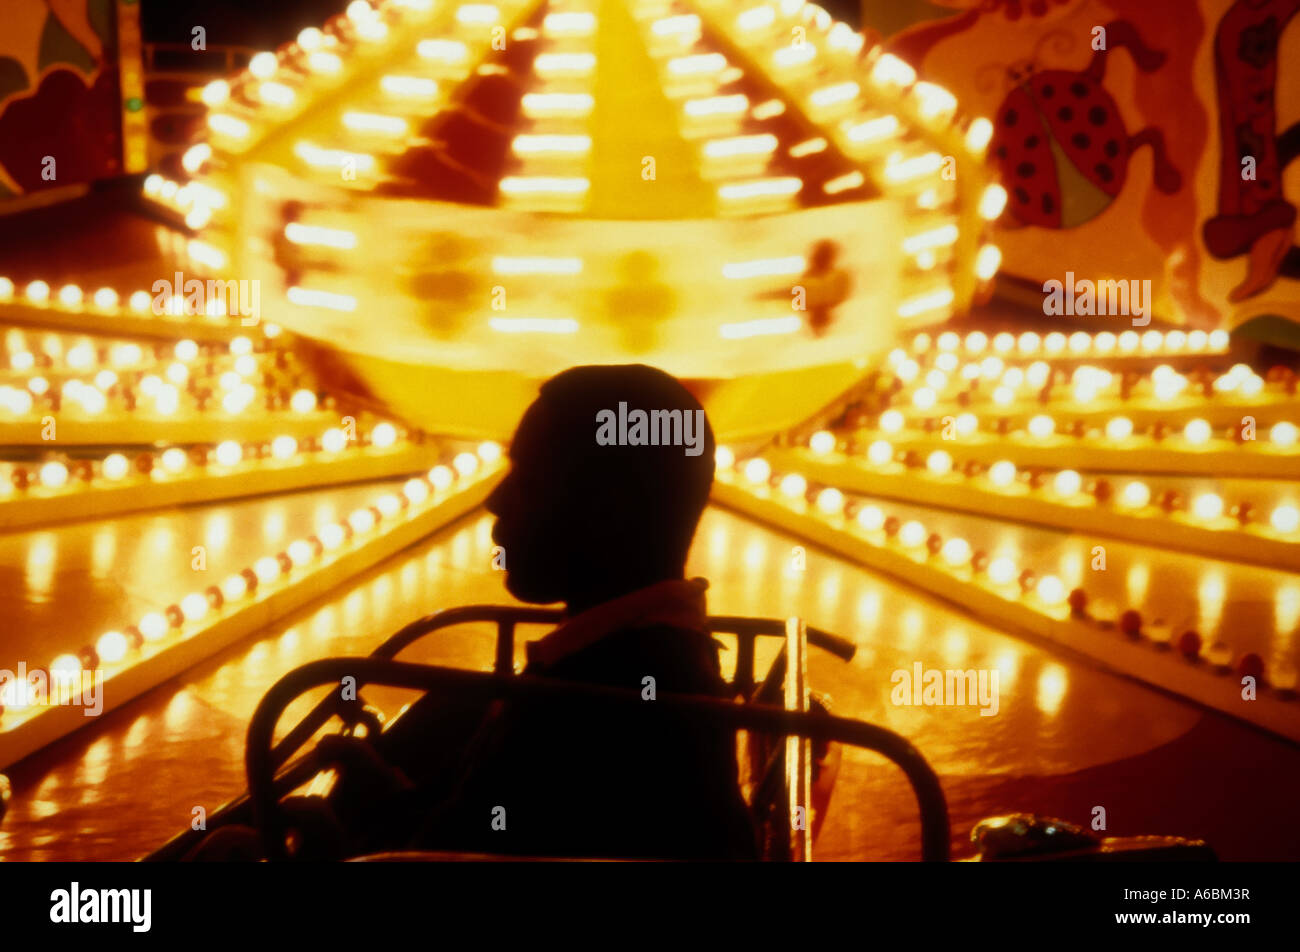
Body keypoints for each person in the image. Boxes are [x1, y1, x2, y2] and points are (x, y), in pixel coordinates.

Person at [351, 364, 758, 860]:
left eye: (527, 482)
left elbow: (458, 844)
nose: (493, 500)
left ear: (608, 515)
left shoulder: (593, 708)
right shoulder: (662, 658)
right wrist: (389, 788)